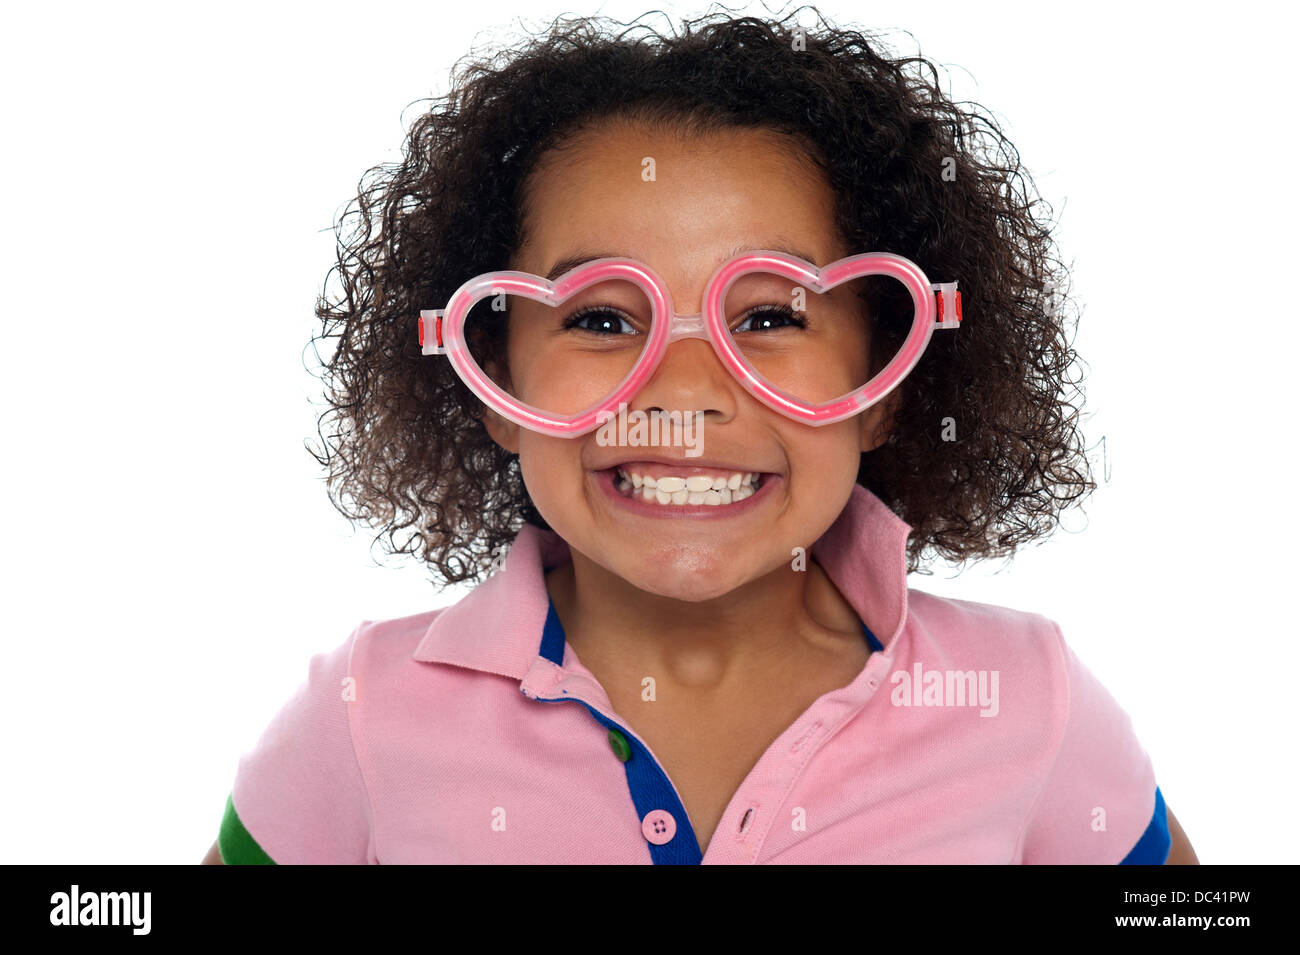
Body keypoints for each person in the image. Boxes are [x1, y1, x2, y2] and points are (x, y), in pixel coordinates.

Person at [203, 8, 1196, 864]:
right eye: (598, 319)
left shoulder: (1026, 702)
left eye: (769, 316)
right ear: (494, 380)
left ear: (885, 378)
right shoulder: (366, 713)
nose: (684, 392)